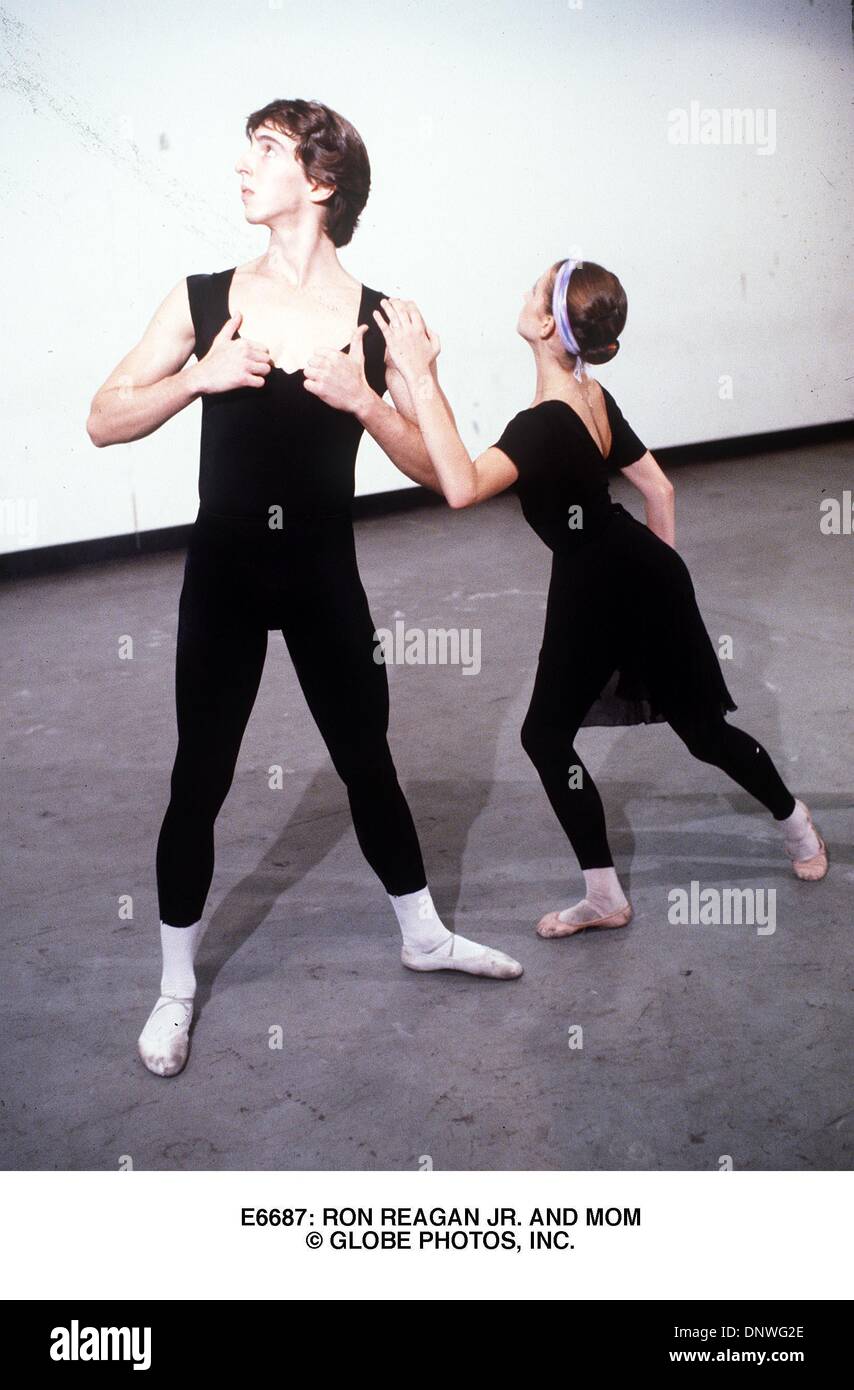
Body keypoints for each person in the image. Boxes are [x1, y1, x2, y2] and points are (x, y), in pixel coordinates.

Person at [86, 99, 522, 1079]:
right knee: (200, 770)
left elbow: (440, 476)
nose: (244, 167)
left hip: (324, 570)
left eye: (267, 151)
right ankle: (174, 988)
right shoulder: (203, 298)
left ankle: (422, 934)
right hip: (225, 570)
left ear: (319, 183)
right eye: (246, 148)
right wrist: (197, 380)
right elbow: (103, 419)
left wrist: (372, 394)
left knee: (366, 755)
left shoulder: (379, 319)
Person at [359, 257, 828, 940]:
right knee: (703, 731)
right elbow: (659, 491)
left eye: (532, 290)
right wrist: (663, 585)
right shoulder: (592, 397)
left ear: (548, 323)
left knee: (545, 737)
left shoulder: (542, 422)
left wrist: (417, 380)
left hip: (593, 583)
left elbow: (458, 486)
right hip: (640, 569)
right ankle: (798, 830)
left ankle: (605, 895)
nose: (523, 296)